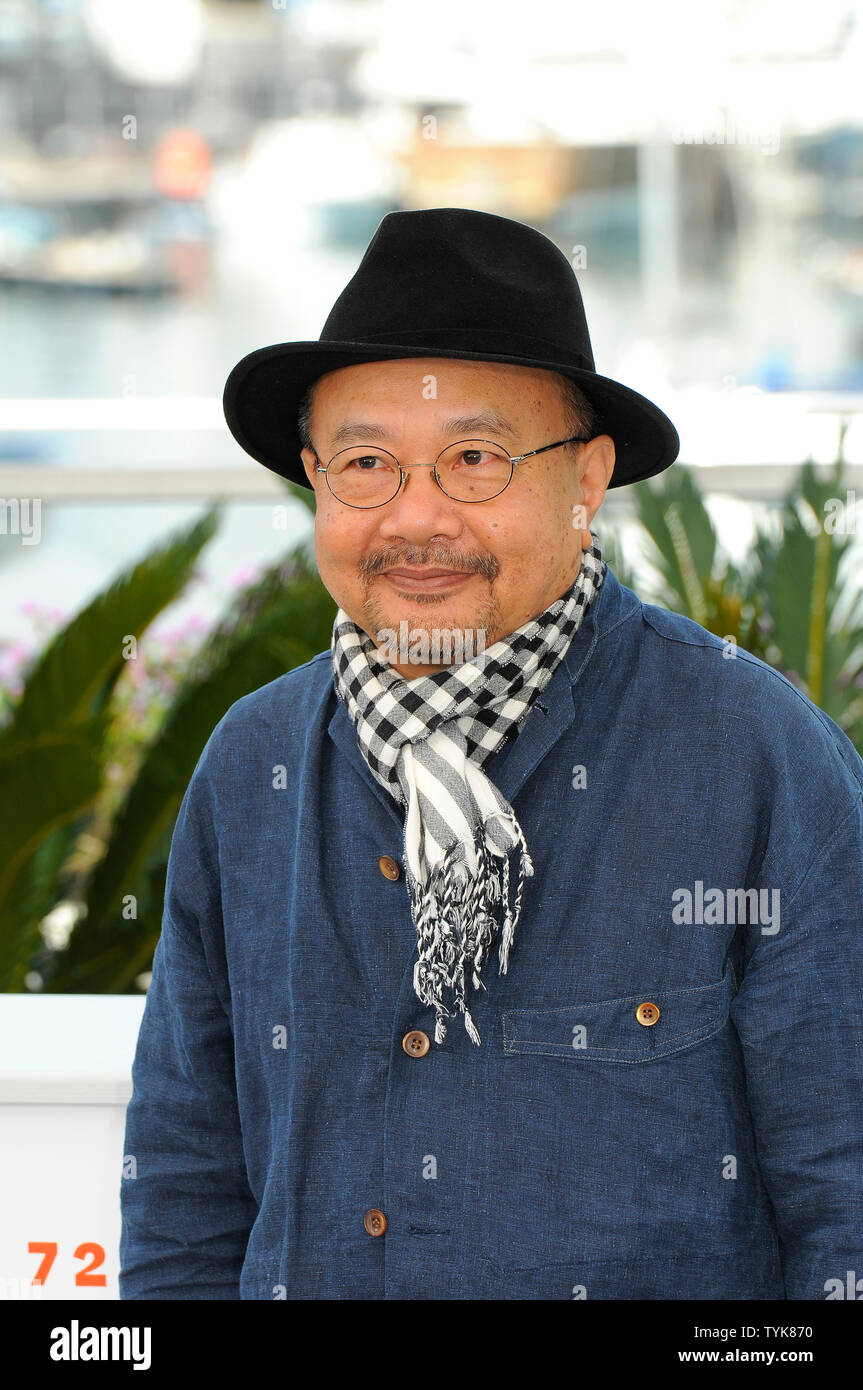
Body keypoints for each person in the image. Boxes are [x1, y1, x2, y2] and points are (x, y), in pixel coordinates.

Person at [119, 207, 863, 1300]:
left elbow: (842, 1197)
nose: (416, 518)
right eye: (366, 462)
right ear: (314, 478)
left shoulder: (752, 756)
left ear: (587, 476)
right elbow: (185, 1182)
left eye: (474, 458)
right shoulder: (252, 766)